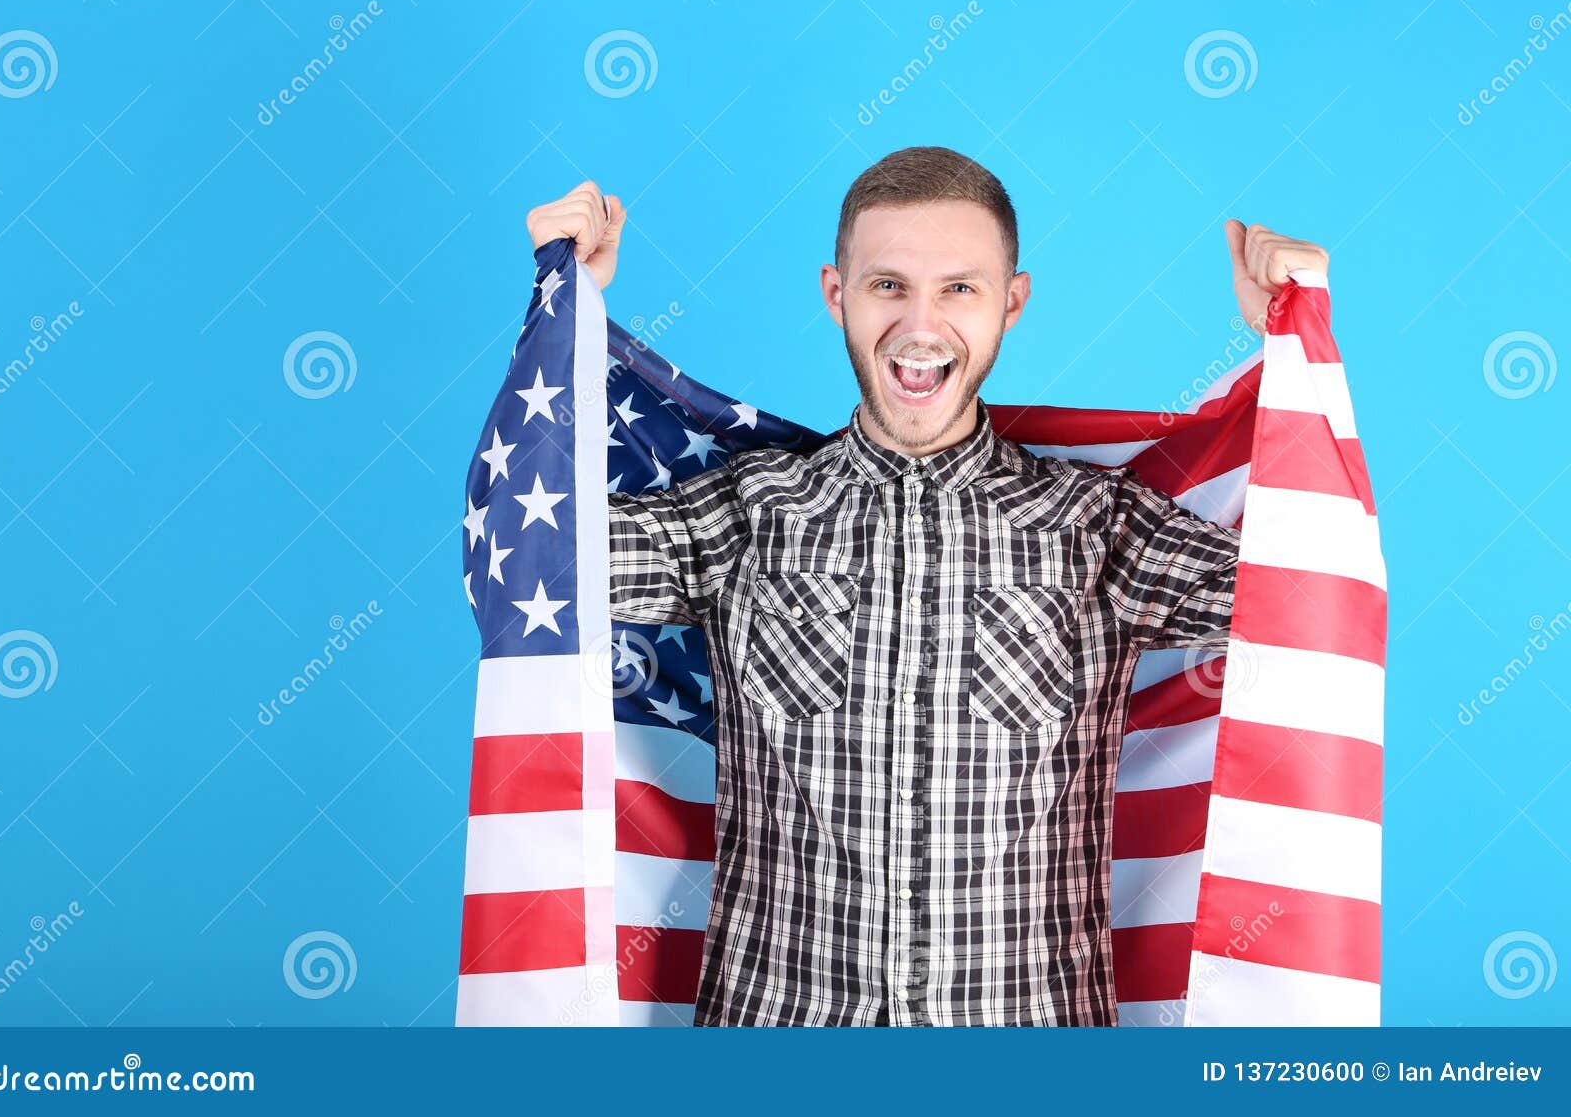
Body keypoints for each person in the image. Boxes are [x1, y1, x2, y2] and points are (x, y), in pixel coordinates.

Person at [523, 146, 1330, 1026]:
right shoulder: (748, 513)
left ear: (1010, 303)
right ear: (836, 293)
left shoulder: (1098, 528)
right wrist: (563, 310)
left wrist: (1298, 355)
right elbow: (534, 555)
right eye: (888, 286)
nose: (921, 323)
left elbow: (1317, 600)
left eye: (959, 288)